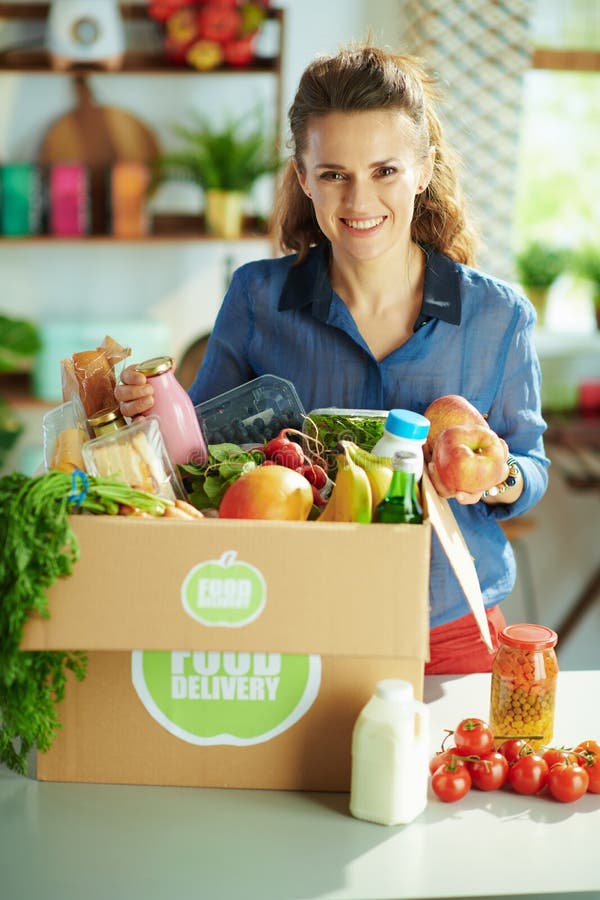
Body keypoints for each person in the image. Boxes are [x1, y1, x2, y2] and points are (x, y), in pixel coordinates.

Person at [115, 46, 549, 674]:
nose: (359, 200)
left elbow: (529, 466)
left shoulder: (498, 318)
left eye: (385, 170)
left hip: (448, 625)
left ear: (423, 170)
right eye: (334, 174)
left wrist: (499, 475)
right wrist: (145, 414)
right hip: (290, 613)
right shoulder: (259, 298)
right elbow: (197, 462)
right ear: (302, 175)